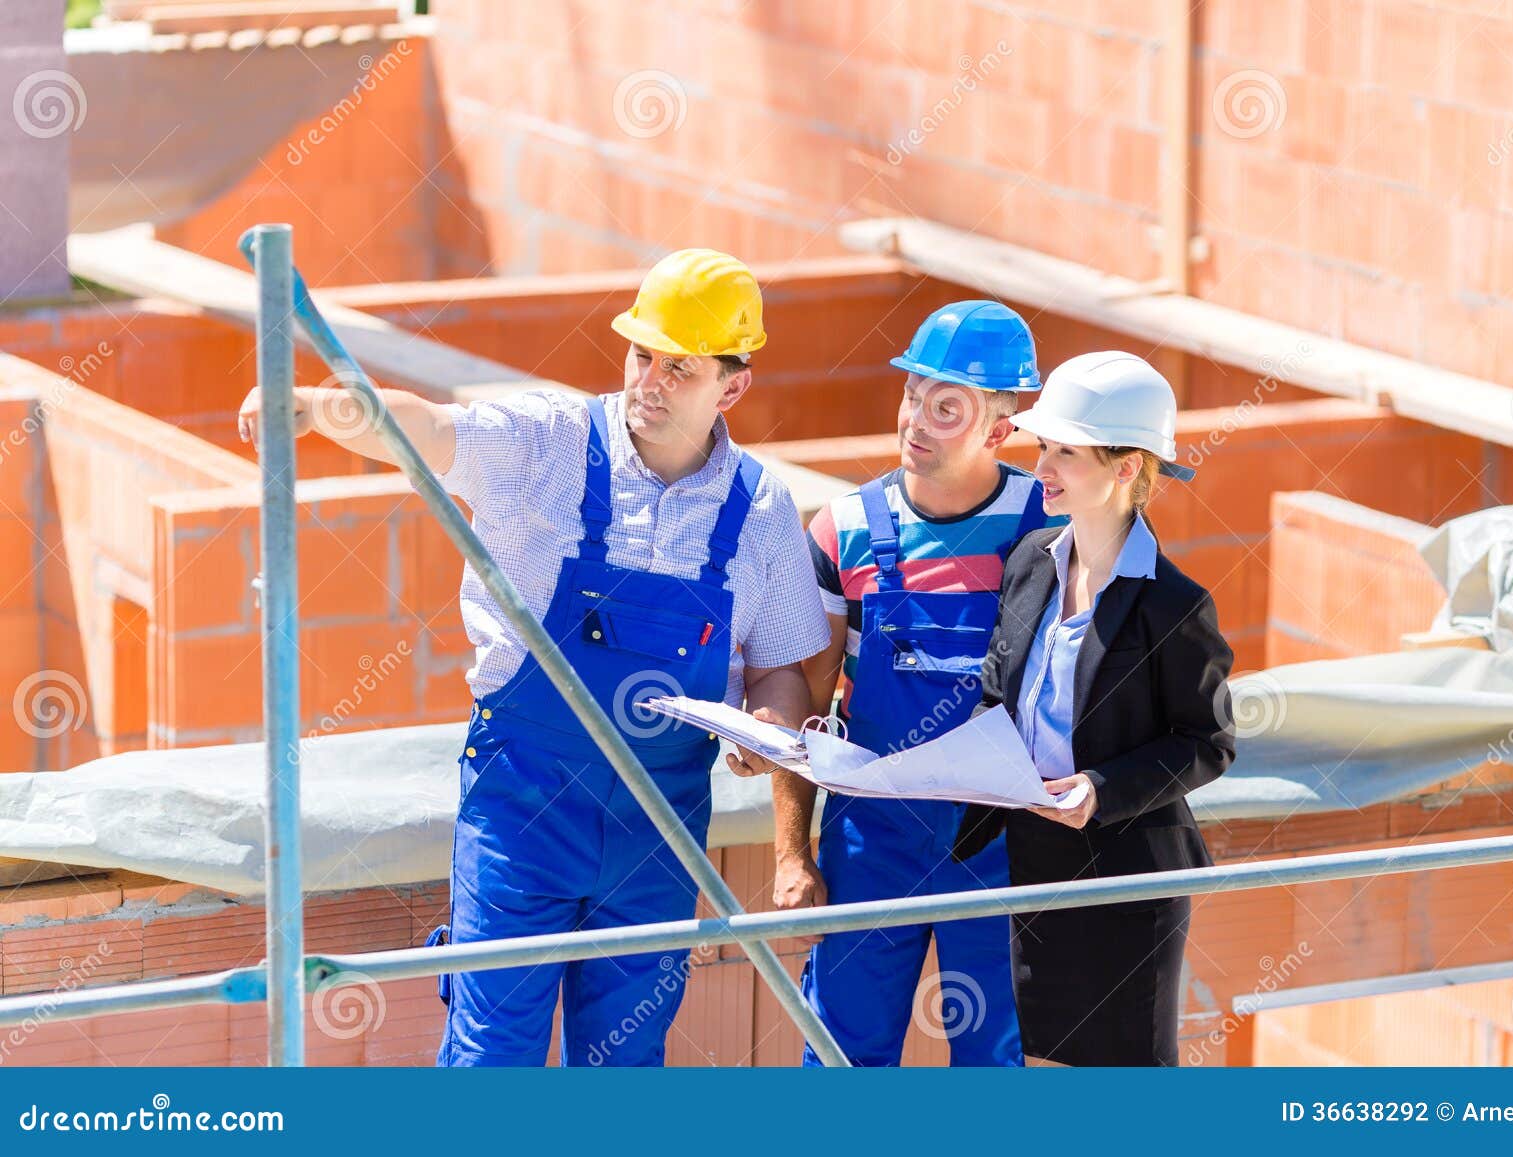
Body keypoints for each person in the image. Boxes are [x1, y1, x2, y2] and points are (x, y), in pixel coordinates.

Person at [237, 248, 830, 1066]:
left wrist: (769, 724)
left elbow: (780, 668)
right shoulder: (549, 443)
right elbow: (428, 430)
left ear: (731, 388)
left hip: (658, 829)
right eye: (642, 354)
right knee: (491, 1058)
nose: (650, 381)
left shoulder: (759, 507)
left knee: (624, 1065)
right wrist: (313, 406)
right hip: (523, 807)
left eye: (680, 368)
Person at [773, 300, 1062, 1066]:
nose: (915, 422)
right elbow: (807, 703)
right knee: (841, 1060)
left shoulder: (1052, 527)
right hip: (871, 841)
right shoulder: (841, 530)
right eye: (912, 395)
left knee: (995, 1066)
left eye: (946, 408)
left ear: (998, 430)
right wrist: (792, 854)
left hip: (1002, 845)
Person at [953, 350, 1236, 1067]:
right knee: (1046, 1064)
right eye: (1044, 447)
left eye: (1066, 453)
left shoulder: (1174, 604)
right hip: (1038, 863)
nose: (1042, 467)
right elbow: (999, 694)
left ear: (1126, 467)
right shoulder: (1029, 561)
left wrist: (1101, 789)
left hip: (1130, 880)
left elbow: (1207, 741)